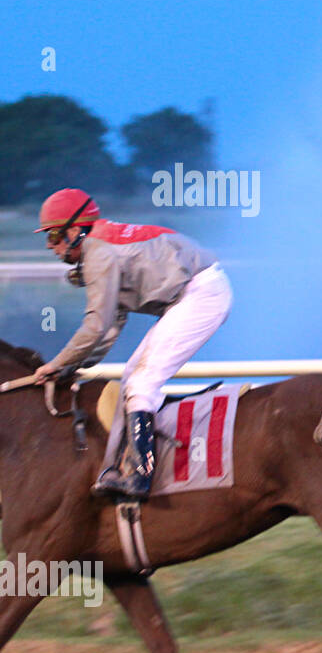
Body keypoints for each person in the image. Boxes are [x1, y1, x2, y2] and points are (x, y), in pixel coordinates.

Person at [32, 188, 233, 498]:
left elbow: (95, 325)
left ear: (75, 230)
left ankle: (140, 477)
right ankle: (139, 459)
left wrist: (56, 364)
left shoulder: (98, 252)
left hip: (202, 293)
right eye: (48, 238)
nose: (51, 246)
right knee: (131, 379)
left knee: (141, 381)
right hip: (192, 291)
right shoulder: (100, 246)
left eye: (55, 236)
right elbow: (111, 325)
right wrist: (74, 366)